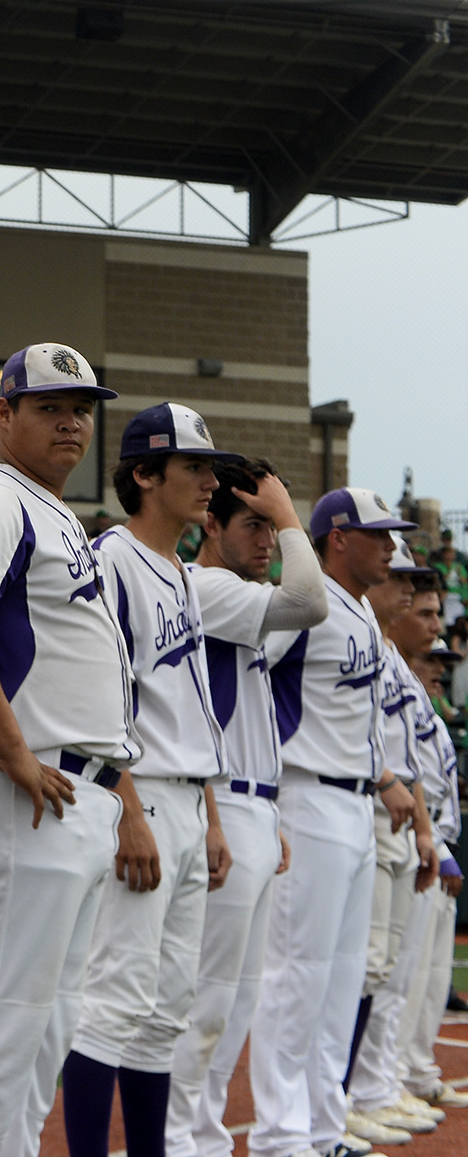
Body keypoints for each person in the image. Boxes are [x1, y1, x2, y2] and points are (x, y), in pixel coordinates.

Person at [0, 343, 137, 1157]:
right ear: (4, 414)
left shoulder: (51, 510)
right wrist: (10, 746)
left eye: (81, 407)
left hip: (64, 788)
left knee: (45, 1024)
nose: (72, 421)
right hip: (15, 782)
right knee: (2, 1019)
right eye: (49, 406)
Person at [64, 404, 240, 1157]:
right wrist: (127, 808)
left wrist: (210, 816)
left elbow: (187, 707)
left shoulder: (179, 570)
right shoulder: (112, 559)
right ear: (144, 473)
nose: (210, 482)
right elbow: (99, 697)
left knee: (166, 1007)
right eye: (194, 467)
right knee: (114, 998)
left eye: (211, 469)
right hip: (136, 797)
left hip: (186, 796)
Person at [247, 488, 421, 1157]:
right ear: (337, 537)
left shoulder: (362, 616)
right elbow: (251, 676)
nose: (391, 546)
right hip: (307, 795)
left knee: (339, 980)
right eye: (378, 535)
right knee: (296, 975)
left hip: (354, 804)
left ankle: (322, 1129)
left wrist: (382, 779)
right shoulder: (307, 599)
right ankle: (279, 1137)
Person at [163, 457, 326, 1157]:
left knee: (231, 1003)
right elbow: (311, 601)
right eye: (252, 524)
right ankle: (173, 1137)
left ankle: (198, 1135)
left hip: (255, 805)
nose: (267, 539)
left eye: (271, 526)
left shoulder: (237, 593)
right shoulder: (206, 585)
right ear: (211, 525)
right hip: (218, 802)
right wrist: (293, 517)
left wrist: (273, 816)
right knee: (201, 1001)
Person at [344, 548, 440, 1140]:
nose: (406, 590)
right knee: (360, 968)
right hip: (360, 804)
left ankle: (374, 1087)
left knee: (389, 971)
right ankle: (356, 1093)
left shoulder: (392, 659)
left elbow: (420, 763)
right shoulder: (349, 628)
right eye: (400, 578)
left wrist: (430, 830)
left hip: (395, 816)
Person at [399, 636, 465, 1110]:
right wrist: (438, 847)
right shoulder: (407, 705)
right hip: (421, 842)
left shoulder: (433, 716)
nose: (439, 670)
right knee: (409, 973)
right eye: (431, 660)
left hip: (439, 839)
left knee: (434, 975)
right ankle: (396, 1076)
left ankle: (418, 1070)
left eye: (444, 662)